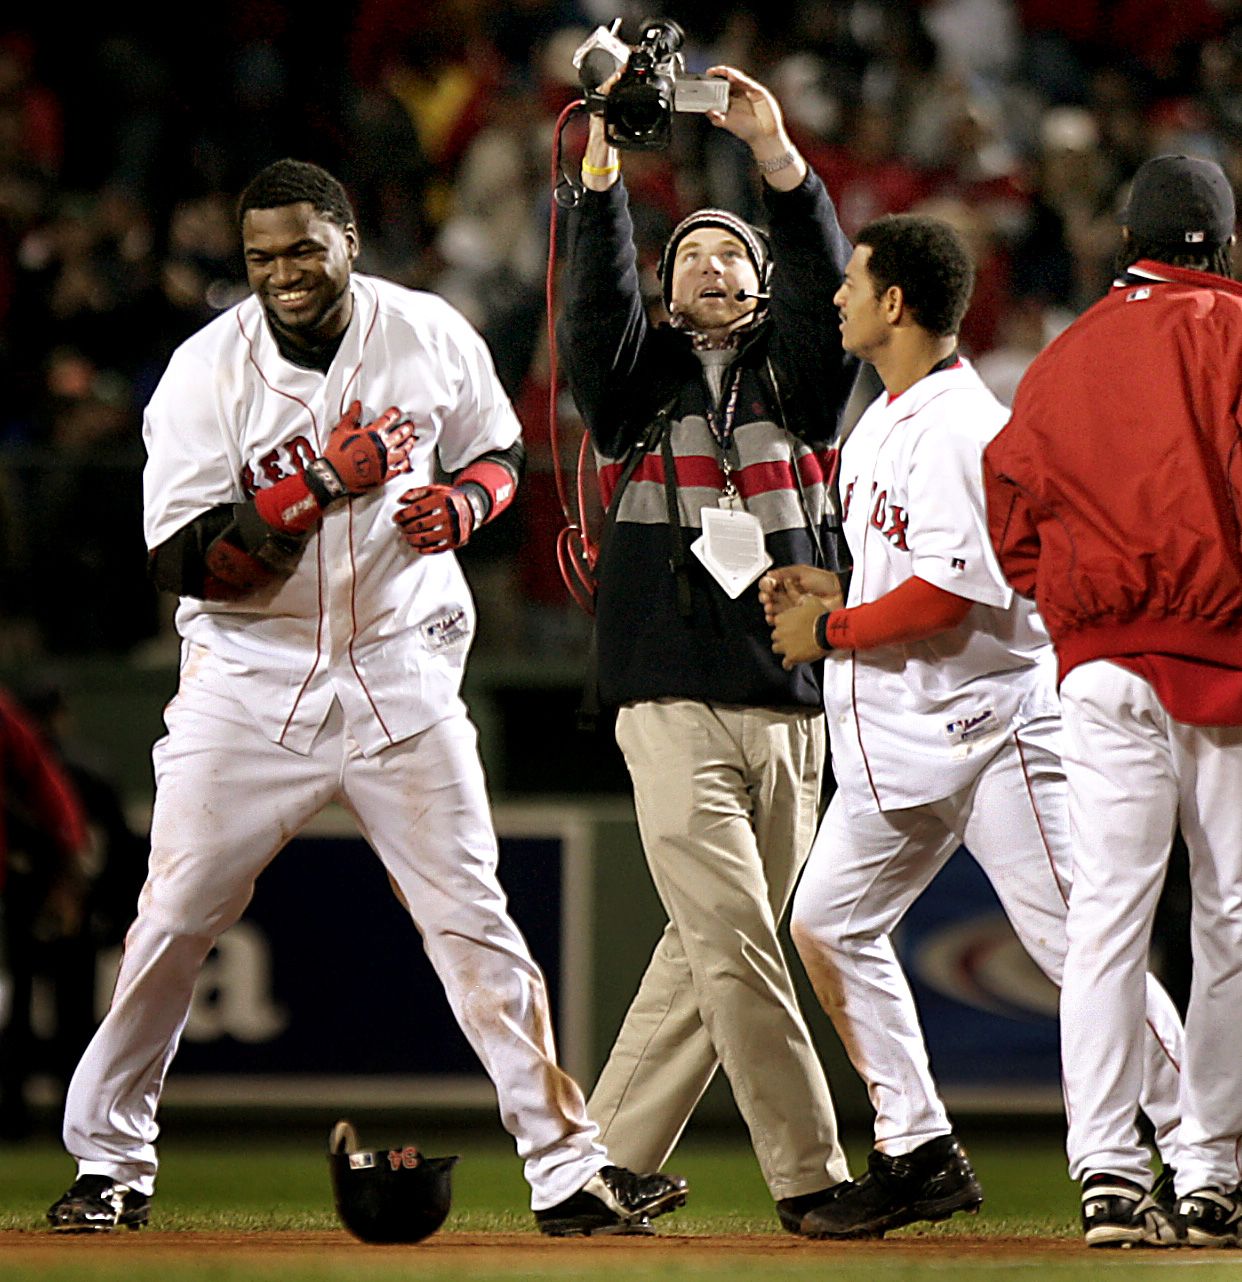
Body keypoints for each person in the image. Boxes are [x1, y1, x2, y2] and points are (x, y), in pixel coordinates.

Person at [47, 158, 685, 1237]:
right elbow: (181, 563)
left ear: (348, 238)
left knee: (473, 922)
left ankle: (567, 1172)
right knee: (171, 923)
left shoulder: (426, 329)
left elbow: (498, 449)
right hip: (247, 687)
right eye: (261, 256)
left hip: (401, 673)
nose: (283, 272)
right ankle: (109, 1163)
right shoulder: (206, 371)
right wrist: (313, 489)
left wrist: (467, 502)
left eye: (304, 247)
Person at [763, 213, 1188, 1241]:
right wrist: (838, 592)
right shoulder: (884, 417)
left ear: (895, 303)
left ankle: (1205, 1144)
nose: (837, 296)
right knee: (827, 924)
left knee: (1082, 947)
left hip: (996, 732)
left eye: (853, 281)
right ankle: (918, 1151)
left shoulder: (960, 426)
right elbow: (911, 576)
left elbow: (955, 593)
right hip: (905, 735)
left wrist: (833, 628)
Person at [559, 66, 856, 1232]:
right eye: (690, 256)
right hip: (670, 695)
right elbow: (593, 305)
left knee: (709, 950)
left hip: (792, 701)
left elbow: (827, 280)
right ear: (665, 287)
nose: (713, 267)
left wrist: (777, 157)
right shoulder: (632, 389)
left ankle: (596, 1171)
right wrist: (601, 171)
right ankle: (814, 1178)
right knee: (735, 942)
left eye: (733, 254)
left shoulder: (806, 379)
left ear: (764, 282)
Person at [984, 154, 1242, 1249]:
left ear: (1126, 243)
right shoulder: (1234, 330)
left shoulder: (1062, 355)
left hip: (1098, 668)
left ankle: (1104, 1170)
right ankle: (1213, 1171)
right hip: (1224, 662)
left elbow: (1010, 524)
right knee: (1231, 919)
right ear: (1223, 244)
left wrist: (1081, 608)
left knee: (1105, 920)